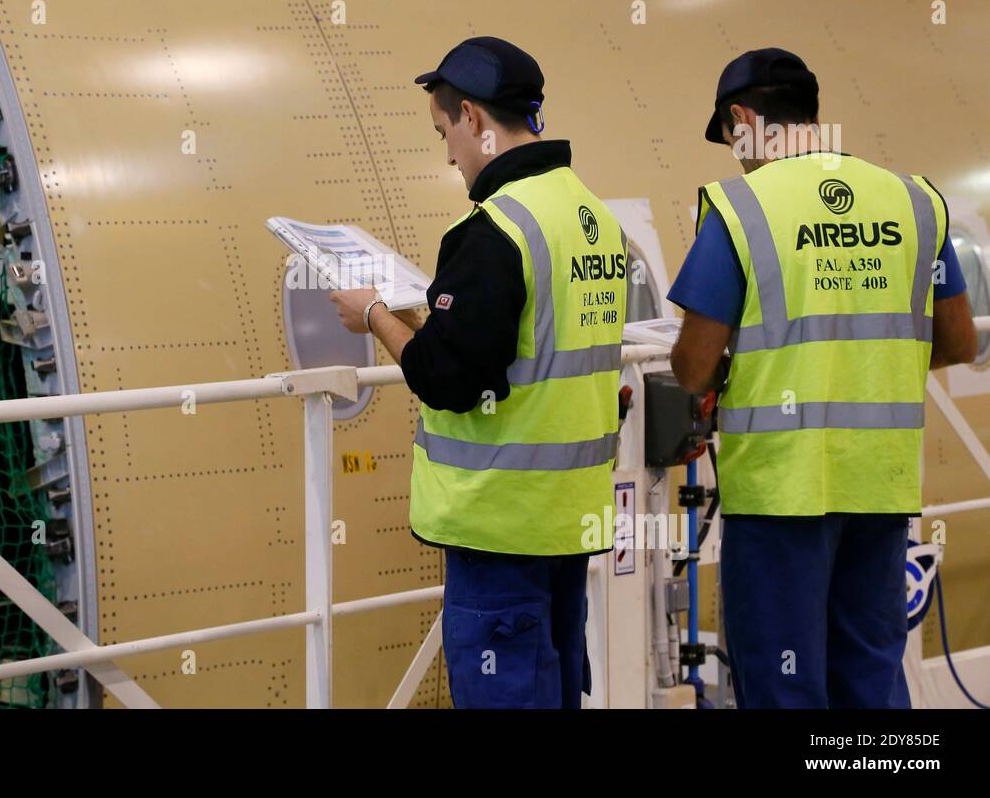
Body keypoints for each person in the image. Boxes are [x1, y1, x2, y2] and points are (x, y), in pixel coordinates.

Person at [668, 47, 979, 708]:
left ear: (742, 117)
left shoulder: (742, 208)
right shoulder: (913, 200)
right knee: (870, 673)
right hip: (881, 484)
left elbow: (693, 365)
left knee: (785, 682)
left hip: (781, 493)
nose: (736, 155)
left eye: (731, 139)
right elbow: (958, 342)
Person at [330, 36, 627, 708]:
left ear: (471, 117)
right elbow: (532, 342)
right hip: (565, 518)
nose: (448, 154)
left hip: (499, 524)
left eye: (444, 132)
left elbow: (450, 380)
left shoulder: (494, 229)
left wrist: (375, 314)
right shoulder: (590, 217)